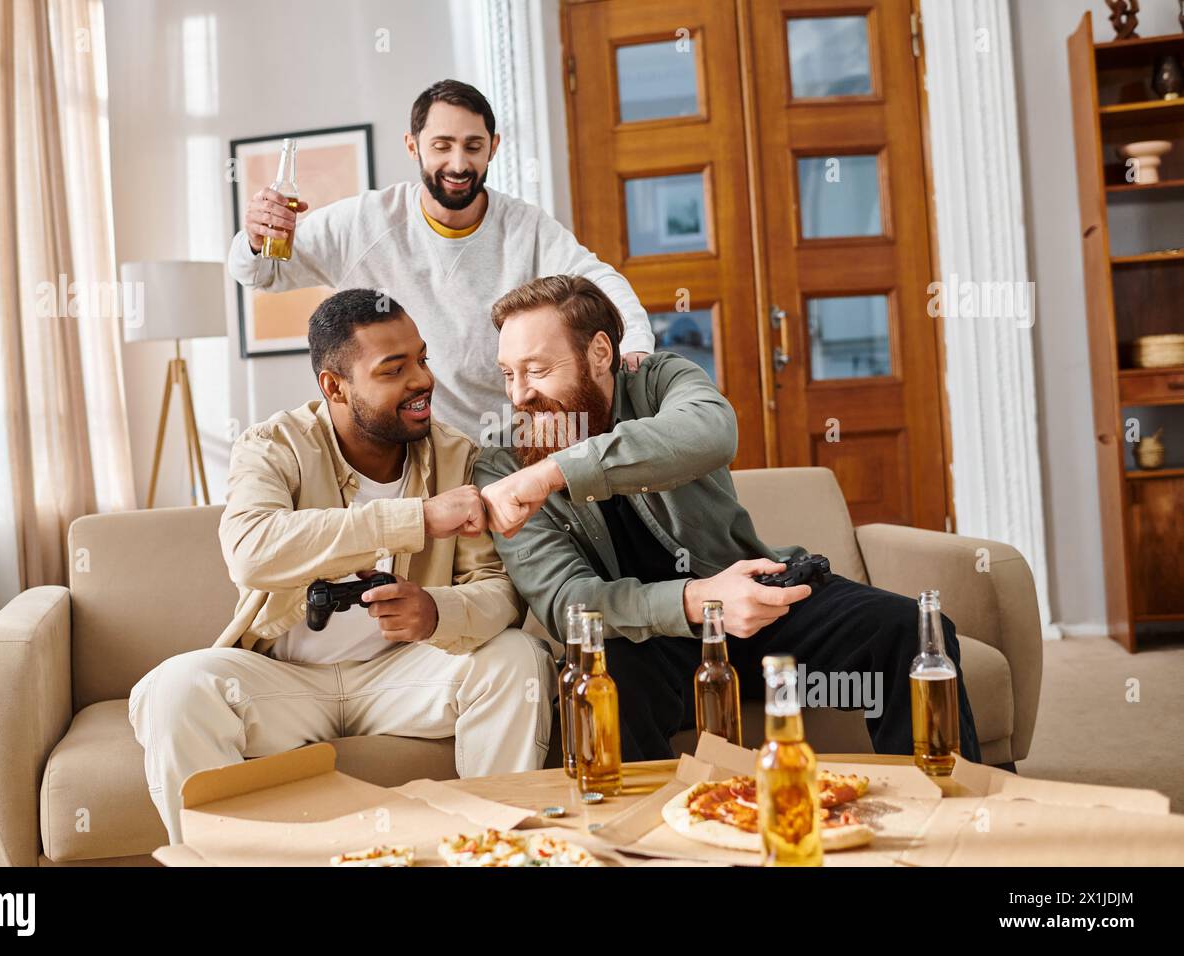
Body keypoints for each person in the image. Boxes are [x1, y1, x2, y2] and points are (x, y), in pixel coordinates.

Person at [472, 274, 983, 764]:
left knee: (909, 630)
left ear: (600, 353)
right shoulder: (501, 465)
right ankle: (641, 850)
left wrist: (552, 474)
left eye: (536, 371)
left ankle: (952, 821)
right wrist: (698, 601)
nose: (518, 395)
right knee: (607, 677)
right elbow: (567, 605)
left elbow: (711, 432)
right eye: (507, 374)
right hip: (647, 639)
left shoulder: (660, 380)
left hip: (757, 603)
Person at [129, 289, 556, 843]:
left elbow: (498, 591)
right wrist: (417, 518)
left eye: (422, 359)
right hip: (287, 683)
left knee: (517, 656)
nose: (422, 380)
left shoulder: (458, 457)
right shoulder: (272, 445)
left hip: (405, 676)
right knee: (176, 687)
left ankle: (497, 850)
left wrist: (436, 612)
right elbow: (253, 549)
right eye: (393, 369)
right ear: (334, 386)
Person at [228, 79, 654, 441]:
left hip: (508, 440)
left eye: (473, 146)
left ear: (493, 148)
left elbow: (595, 279)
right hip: (413, 447)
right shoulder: (365, 221)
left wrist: (633, 343)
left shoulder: (526, 227)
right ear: (413, 147)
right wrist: (253, 237)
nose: (458, 163)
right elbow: (262, 274)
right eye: (442, 146)